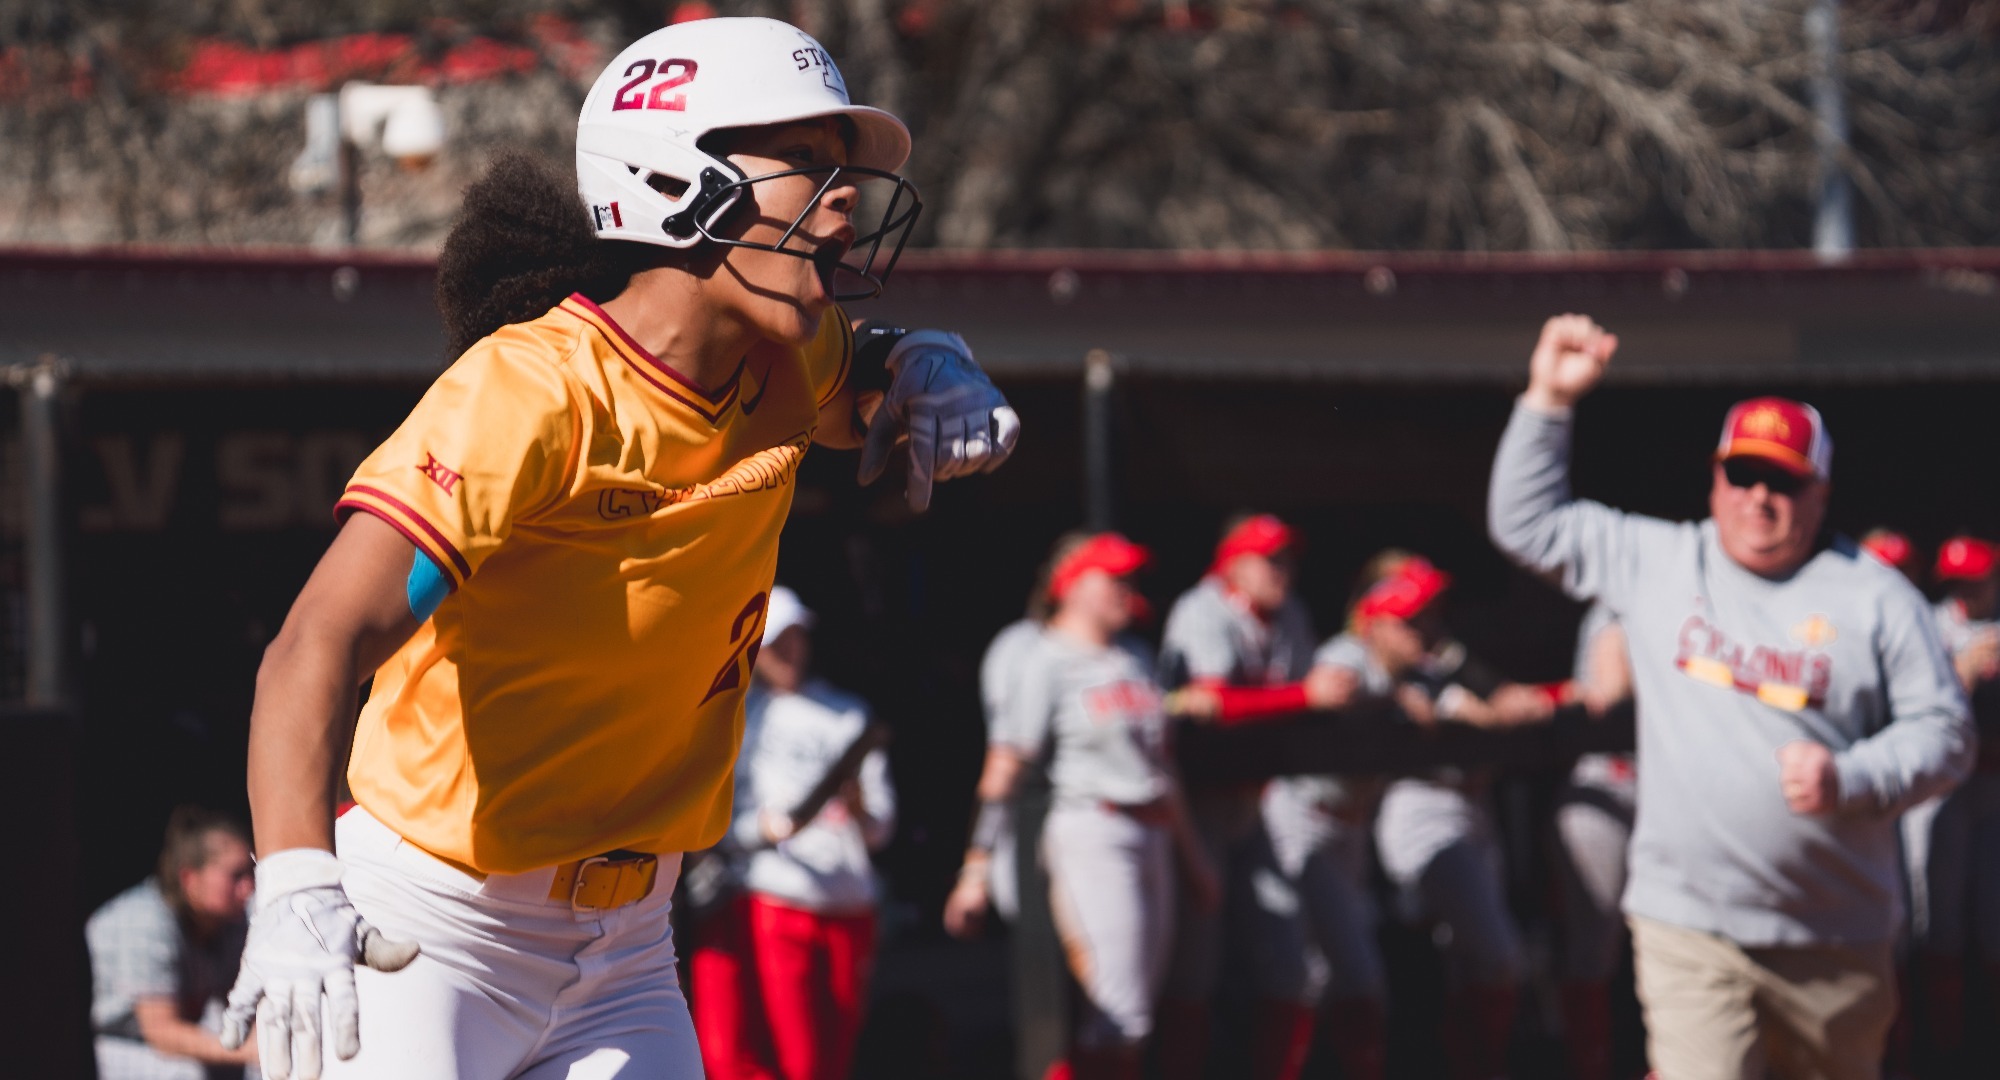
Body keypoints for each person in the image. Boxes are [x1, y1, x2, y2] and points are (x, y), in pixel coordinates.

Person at [218, 17, 1017, 1080]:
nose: (843, 198)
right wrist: (294, 882)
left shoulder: (793, 352)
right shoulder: (531, 393)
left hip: (631, 952)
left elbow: (857, 368)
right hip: (428, 928)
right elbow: (311, 645)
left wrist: (923, 358)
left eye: (844, 169)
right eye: (807, 162)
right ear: (675, 180)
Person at [1489, 314, 1974, 1080]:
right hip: (1691, 925)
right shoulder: (1660, 560)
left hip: (1834, 937)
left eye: (1783, 480)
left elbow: (1946, 733)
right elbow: (1527, 524)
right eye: (1741, 475)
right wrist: (1548, 399)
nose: (1758, 497)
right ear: (1713, 478)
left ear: (1820, 492)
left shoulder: (1876, 596)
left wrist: (1852, 777)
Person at [943, 533, 1214, 1080]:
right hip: (1094, 830)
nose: (1127, 588)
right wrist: (975, 869)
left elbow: (1165, 769)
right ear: (1072, 584)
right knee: (1119, 1014)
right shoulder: (1040, 656)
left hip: (1154, 834)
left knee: (1132, 1016)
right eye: (1113, 577)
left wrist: (1194, 859)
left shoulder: (1135, 656)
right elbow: (1005, 767)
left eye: (1130, 578)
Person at [1334, 551, 1551, 1080]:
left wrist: (1490, 705)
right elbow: (1337, 688)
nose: (1426, 620)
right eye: (1412, 609)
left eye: (1428, 609)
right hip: (1410, 808)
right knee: (1466, 957)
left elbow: (1495, 699)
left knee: (1466, 963)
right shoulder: (1356, 658)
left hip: (1462, 806)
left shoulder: (1437, 659)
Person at [1153, 514, 1351, 1080]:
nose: (1283, 570)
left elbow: (1316, 692)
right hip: (1195, 803)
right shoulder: (1204, 609)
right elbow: (1209, 703)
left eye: (1288, 559)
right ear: (1234, 563)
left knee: (1293, 968)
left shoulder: (1291, 613)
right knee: (1193, 972)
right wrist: (1303, 696)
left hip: (1256, 801)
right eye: (1270, 559)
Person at [728, 585, 895, 1080]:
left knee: (833, 1056)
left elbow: (881, 827)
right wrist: (767, 828)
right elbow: (714, 827)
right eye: (778, 639)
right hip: (776, 899)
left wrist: (859, 808)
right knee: (791, 1057)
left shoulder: (848, 713)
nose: (790, 650)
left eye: (797, 636)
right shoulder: (733, 718)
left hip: (849, 899)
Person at [1901, 535, 2000, 1073]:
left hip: (1994, 787)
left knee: (1994, 922)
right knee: (1935, 921)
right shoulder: (1932, 624)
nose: (1967, 593)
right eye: (1957, 582)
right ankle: (1944, 1051)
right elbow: (1916, 713)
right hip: (1946, 791)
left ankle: (1985, 1047)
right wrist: (1961, 671)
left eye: (1976, 581)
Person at [88, 806, 259, 1080]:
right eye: (236, 875)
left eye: (250, 872)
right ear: (190, 878)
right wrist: (250, 1051)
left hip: (166, 1040)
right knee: (187, 1073)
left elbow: (246, 1003)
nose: (248, 886)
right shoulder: (144, 920)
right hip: (118, 1044)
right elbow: (161, 1032)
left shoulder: (230, 920)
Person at [1550, 603, 1636, 1080]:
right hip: (1607, 780)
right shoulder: (1617, 604)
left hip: (1666, 788)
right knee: (1595, 947)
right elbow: (1610, 689)